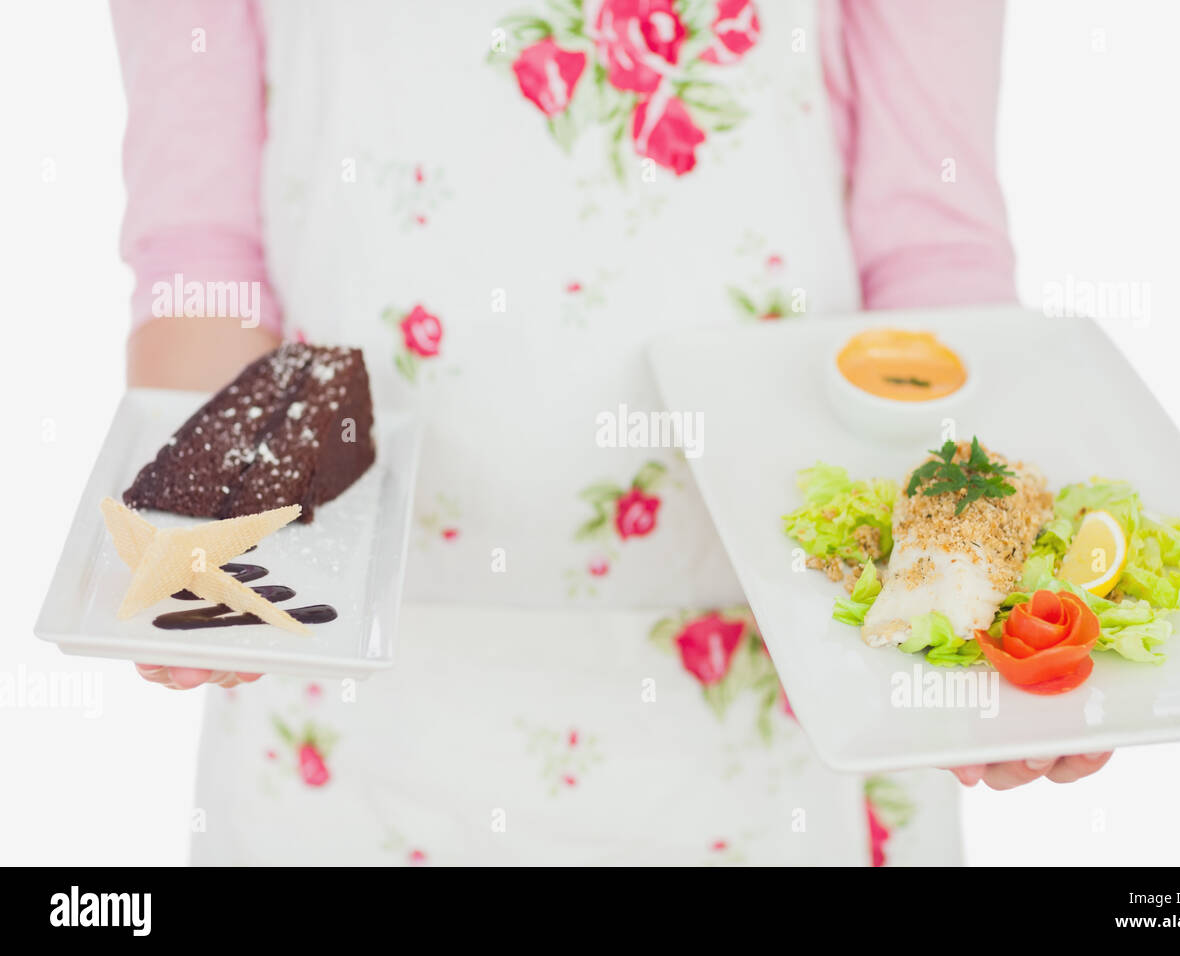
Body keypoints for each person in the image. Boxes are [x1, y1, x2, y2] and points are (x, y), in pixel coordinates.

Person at [112, 0, 1109, 866]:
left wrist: (982, 615)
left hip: (796, 716)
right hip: (341, 721)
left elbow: (933, 253)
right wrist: (204, 542)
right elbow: (202, 253)